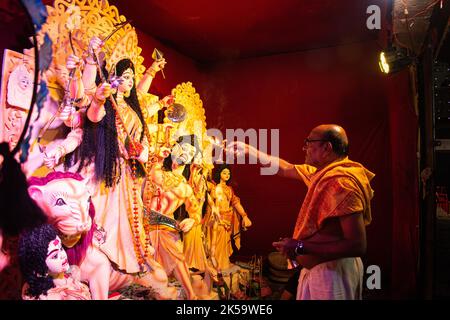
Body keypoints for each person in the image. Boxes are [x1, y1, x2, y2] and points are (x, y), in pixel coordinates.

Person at [229, 124, 374, 300]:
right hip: (320, 271)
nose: (304, 148)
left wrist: (299, 246)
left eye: (309, 142)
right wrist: (249, 151)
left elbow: (357, 245)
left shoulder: (342, 182)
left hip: (333, 275)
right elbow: (285, 168)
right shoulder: (322, 174)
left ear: (326, 147)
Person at [146, 134, 202, 299]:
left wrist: (192, 219)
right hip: (141, 224)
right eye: (183, 148)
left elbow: (195, 210)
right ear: (175, 148)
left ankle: (191, 295)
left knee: (177, 259)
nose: (185, 154)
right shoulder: (158, 171)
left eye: (190, 153)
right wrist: (157, 157)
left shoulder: (186, 188)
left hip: (166, 228)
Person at [18, 224, 91, 300]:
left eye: (61, 248)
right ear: (40, 266)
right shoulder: (46, 296)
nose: (63, 255)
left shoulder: (72, 273)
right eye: (55, 256)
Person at [205, 164, 252, 271]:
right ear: (219, 174)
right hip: (217, 220)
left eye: (228, 173)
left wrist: (244, 216)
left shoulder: (229, 189)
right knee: (216, 243)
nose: (227, 175)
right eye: (224, 173)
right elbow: (208, 200)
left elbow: (236, 203)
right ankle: (215, 265)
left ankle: (223, 263)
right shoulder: (214, 187)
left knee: (224, 244)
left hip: (227, 219)